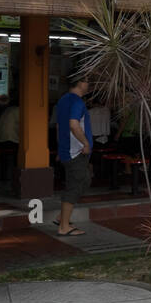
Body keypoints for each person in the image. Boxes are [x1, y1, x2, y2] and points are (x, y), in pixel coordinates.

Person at [54, 73, 93, 237]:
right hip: (75, 151)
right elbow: (73, 124)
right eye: (87, 81)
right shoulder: (77, 102)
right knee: (74, 186)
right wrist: (85, 143)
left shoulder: (63, 100)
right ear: (80, 82)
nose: (89, 85)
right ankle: (64, 226)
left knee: (85, 179)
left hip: (67, 149)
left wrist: (59, 147)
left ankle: (62, 217)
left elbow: (58, 126)